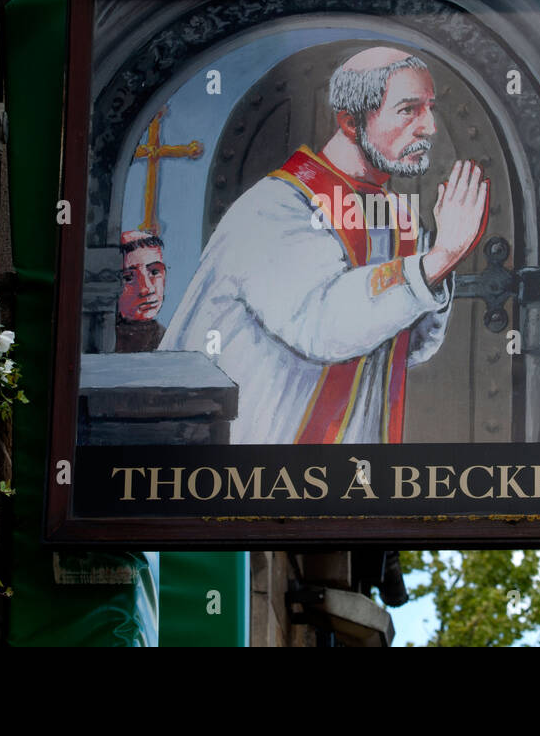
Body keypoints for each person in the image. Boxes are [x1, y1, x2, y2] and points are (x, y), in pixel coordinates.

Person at [158, 46, 489, 444]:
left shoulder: (398, 217)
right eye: (408, 110)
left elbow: (408, 349)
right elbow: (322, 326)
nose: (429, 127)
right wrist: (439, 259)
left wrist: (438, 265)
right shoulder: (275, 209)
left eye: (429, 108)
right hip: (247, 465)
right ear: (350, 123)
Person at [114, 230, 167, 352]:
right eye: (128, 278)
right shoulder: (100, 341)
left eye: (154, 272)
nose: (147, 289)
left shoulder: (169, 342)